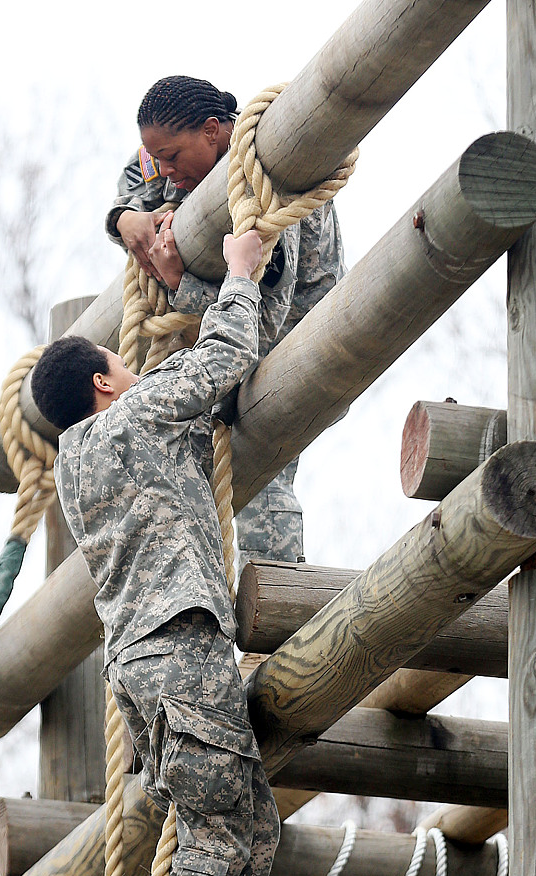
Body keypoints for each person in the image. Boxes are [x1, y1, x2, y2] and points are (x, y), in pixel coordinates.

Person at [31, 229, 280, 876]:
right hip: (177, 644)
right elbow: (225, 356)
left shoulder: (75, 462)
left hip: (142, 665)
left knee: (255, 830)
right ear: (105, 380)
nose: (132, 371)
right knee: (221, 832)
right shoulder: (134, 414)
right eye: (120, 362)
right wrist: (239, 275)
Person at [106, 74, 346, 571]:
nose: (167, 173)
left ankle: (274, 609)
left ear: (213, 131)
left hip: (294, 343)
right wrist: (124, 217)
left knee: (260, 470)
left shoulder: (269, 177)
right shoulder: (169, 159)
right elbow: (139, 173)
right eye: (161, 160)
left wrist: (178, 281)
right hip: (232, 331)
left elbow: (263, 325)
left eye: (174, 157)